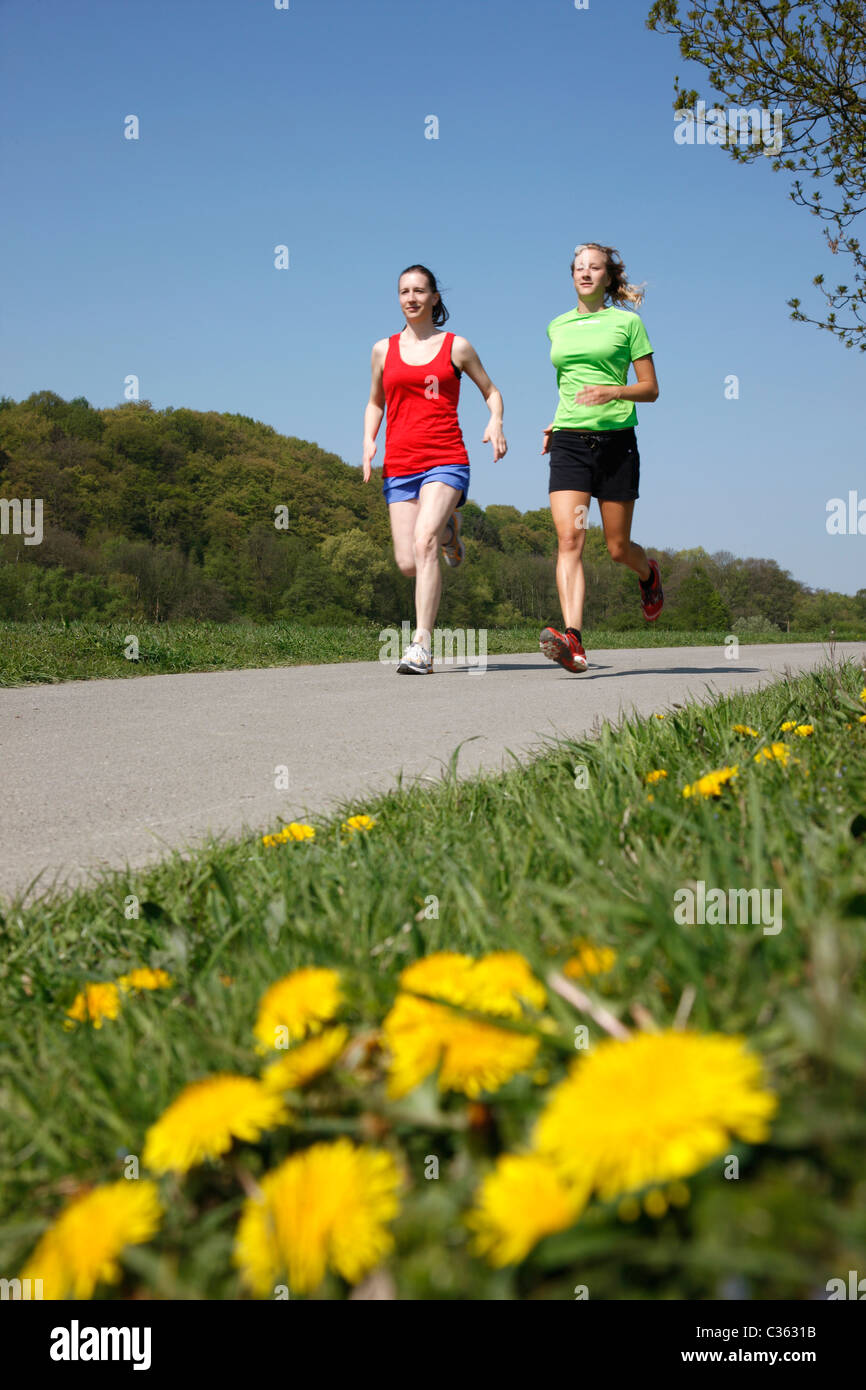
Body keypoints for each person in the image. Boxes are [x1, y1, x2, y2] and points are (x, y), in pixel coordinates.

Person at [363, 264, 506, 674]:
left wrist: (494, 421)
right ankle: (450, 532)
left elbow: (491, 391)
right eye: (404, 291)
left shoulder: (456, 347)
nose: (411, 298)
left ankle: (421, 646)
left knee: (423, 541)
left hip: (445, 457)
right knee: (408, 561)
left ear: (434, 298)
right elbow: (376, 401)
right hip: (400, 463)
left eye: (420, 291)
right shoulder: (383, 350)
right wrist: (369, 439)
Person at [539, 242, 663, 674]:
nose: (586, 273)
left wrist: (614, 390)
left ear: (609, 277)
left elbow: (650, 388)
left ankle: (647, 575)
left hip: (615, 443)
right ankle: (573, 639)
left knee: (616, 548)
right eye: (579, 268)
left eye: (595, 268)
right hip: (570, 441)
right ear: (571, 275)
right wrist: (556, 423)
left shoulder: (627, 324)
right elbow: (567, 383)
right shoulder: (557, 326)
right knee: (570, 541)